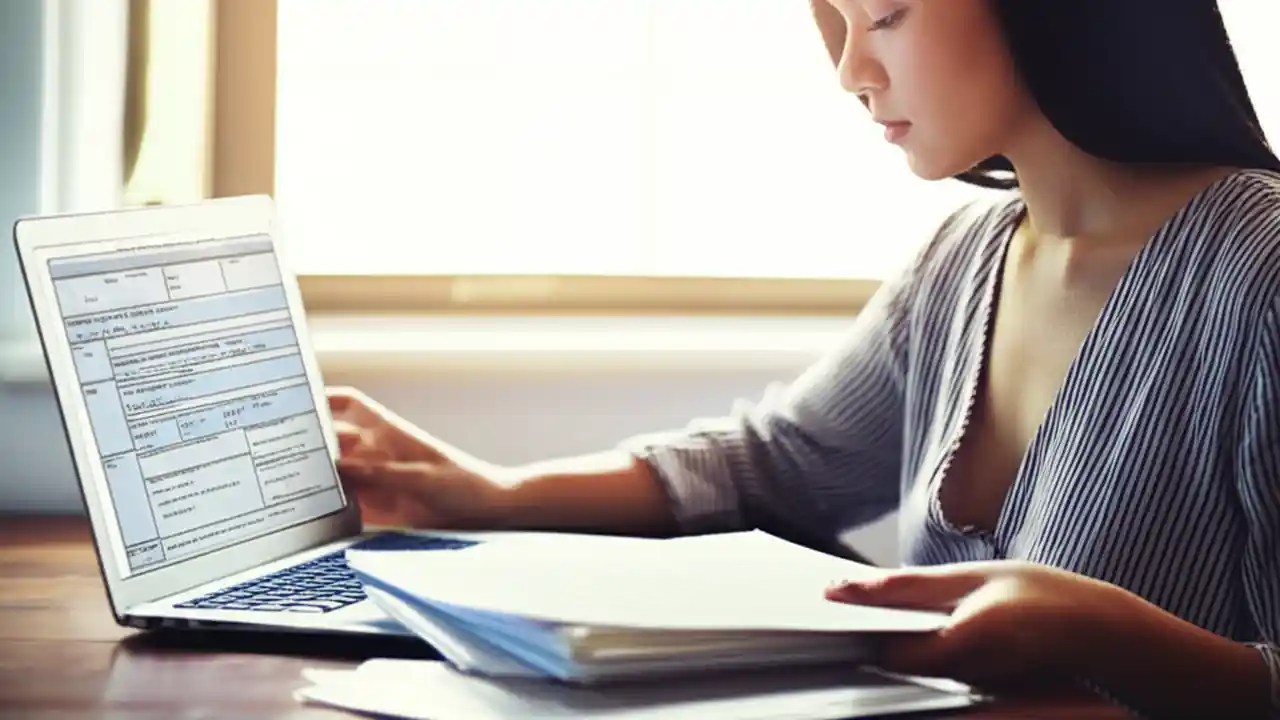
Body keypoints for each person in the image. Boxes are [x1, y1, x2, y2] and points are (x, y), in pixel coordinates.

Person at [328, 1, 1280, 717]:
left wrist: (1097, 629)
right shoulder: (966, 259)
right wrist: (491, 494)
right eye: (834, 16)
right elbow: (770, 465)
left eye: (887, 15)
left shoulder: (1258, 268)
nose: (851, 67)